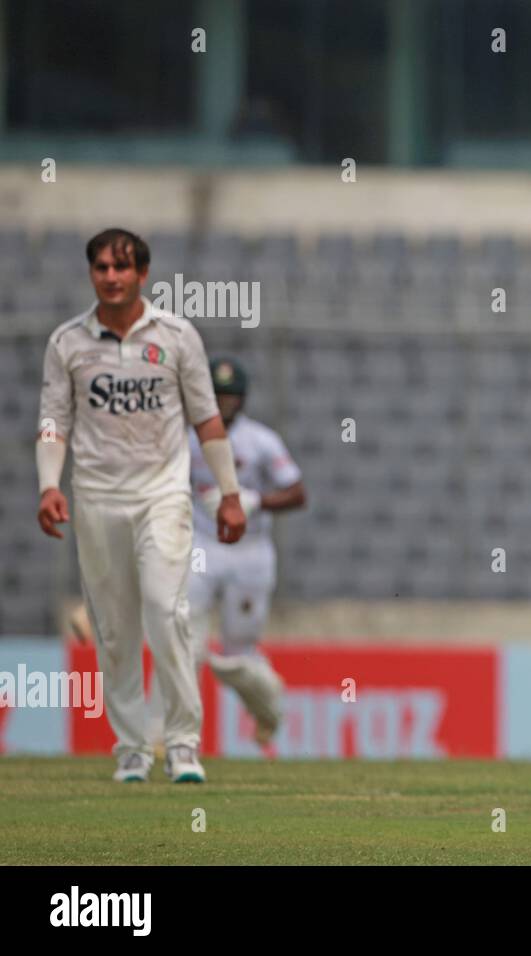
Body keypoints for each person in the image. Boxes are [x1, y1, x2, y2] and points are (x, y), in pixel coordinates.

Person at [36, 228, 246, 783]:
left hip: (161, 494)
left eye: (121, 267)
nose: (111, 277)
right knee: (114, 628)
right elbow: (54, 422)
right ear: (92, 274)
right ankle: (131, 747)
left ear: (142, 274)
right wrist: (48, 485)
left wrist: (229, 494)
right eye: (102, 267)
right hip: (98, 499)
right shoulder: (68, 343)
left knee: (166, 609)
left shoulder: (176, 336)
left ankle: (181, 743)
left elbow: (207, 419)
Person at [188, 356, 306, 747]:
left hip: (249, 551)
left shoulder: (261, 441)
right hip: (202, 545)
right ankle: (173, 735)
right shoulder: (186, 438)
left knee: (237, 656)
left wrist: (255, 500)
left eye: (230, 396)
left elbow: (297, 493)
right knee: (184, 638)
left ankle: (266, 713)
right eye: (216, 396)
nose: (223, 403)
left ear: (243, 399)